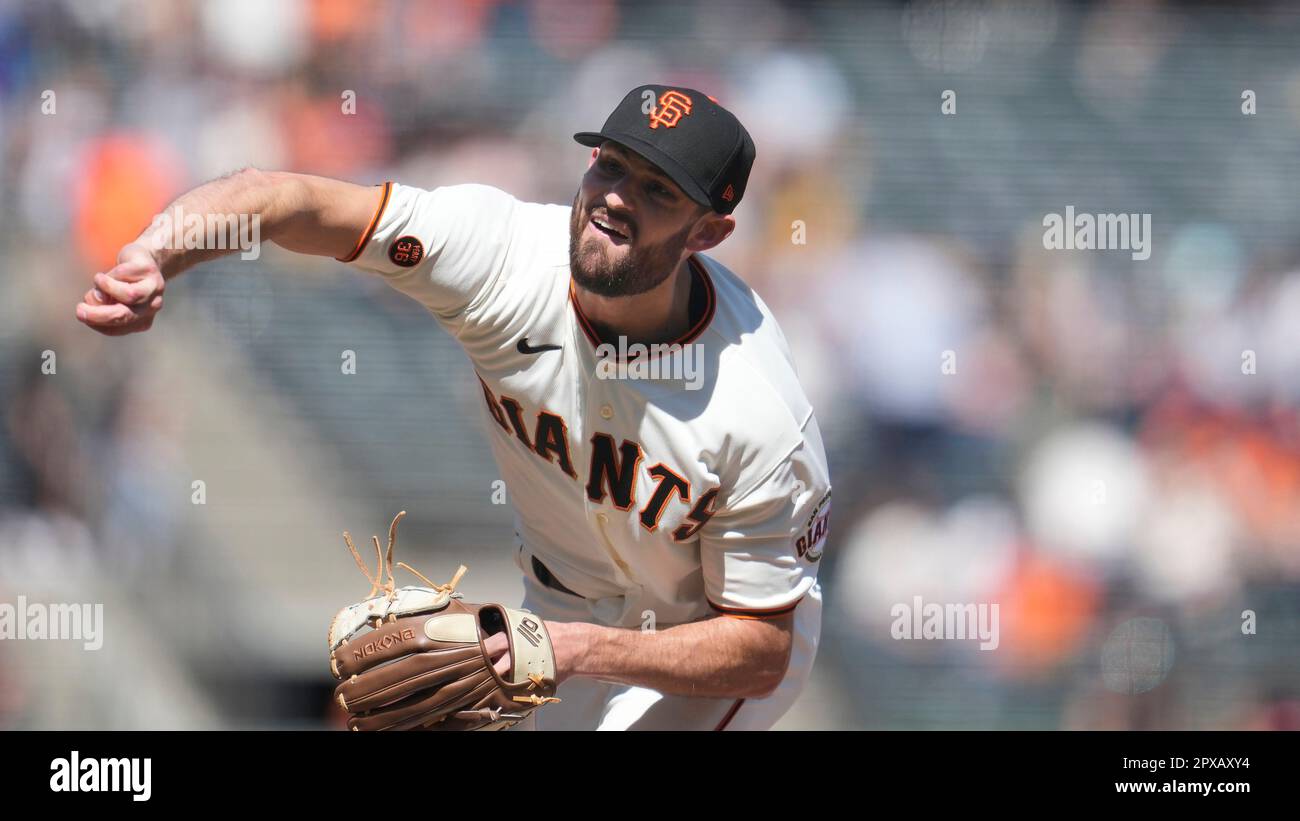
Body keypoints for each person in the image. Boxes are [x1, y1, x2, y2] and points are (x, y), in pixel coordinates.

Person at [76, 85, 832, 730]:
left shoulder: (757, 413)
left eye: (656, 189)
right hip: (556, 607)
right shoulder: (500, 256)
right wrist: (157, 250)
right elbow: (286, 199)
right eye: (610, 164)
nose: (614, 196)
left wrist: (579, 649)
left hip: (707, 643)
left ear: (709, 231)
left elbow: (762, 647)